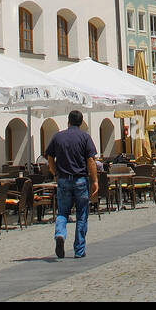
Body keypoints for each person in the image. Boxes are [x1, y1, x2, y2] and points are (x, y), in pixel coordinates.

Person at [44, 110, 98, 259]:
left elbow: (49, 157)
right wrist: (94, 181)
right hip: (80, 179)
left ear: (68, 121)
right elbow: (91, 161)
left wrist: (55, 173)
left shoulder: (58, 137)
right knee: (81, 215)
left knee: (62, 212)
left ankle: (60, 234)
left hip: (63, 180)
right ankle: (79, 250)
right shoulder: (85, 137)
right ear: (80, 123)